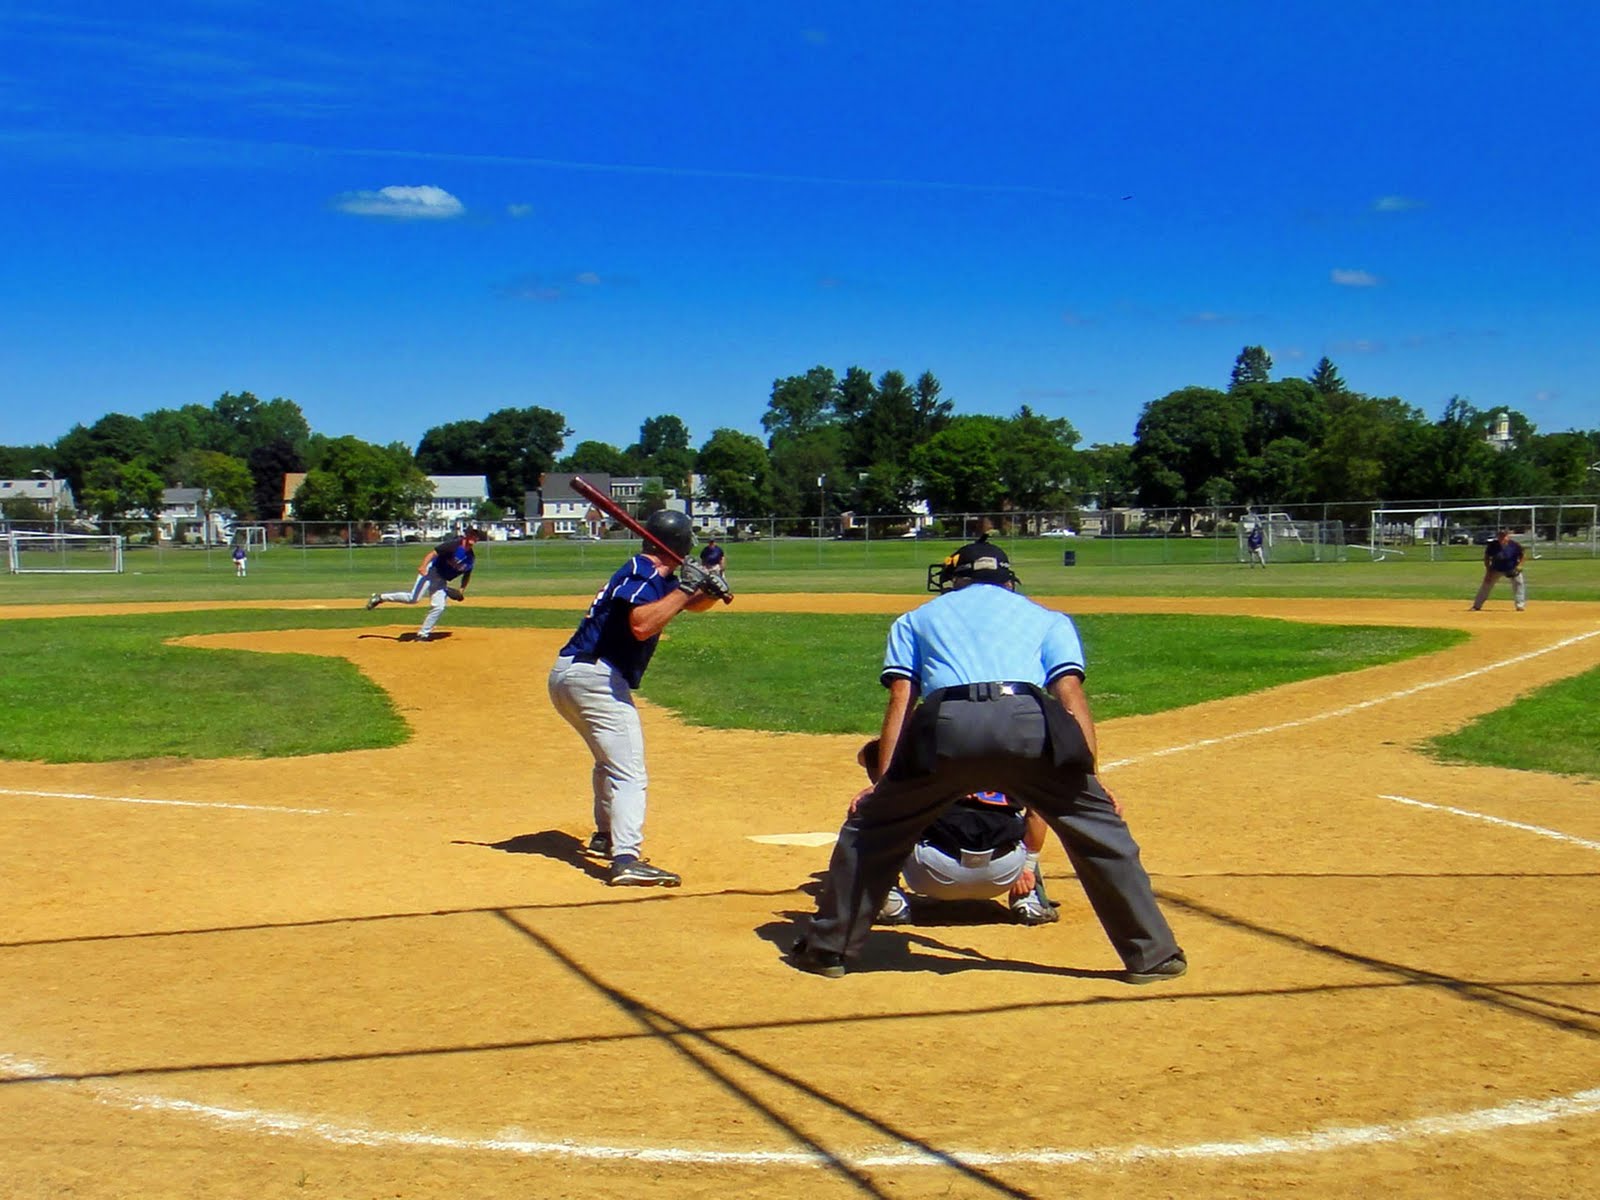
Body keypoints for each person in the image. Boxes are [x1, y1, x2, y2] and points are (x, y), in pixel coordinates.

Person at [790, 538, 1186, 983]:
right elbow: (1070, 695)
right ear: (1007, 580)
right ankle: (1153, 955)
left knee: (871, 830)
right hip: (1030, 721)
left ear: (955, 579)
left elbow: (902, 698)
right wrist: (1089, 778)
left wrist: (884, 786)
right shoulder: (1048, 618)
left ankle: (828, 949)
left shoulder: (915, 619)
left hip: (947, 724)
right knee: (1103, 835)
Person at [548, 509, 731, 887]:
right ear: (679, 545)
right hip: (595, 679)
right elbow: (642, 624)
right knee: (629, 771)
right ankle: (626, 859)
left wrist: (707, 586)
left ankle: (606, 835)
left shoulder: (654, 576)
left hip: (574, 675)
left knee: (609, 761)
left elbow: (684, 604)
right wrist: (686, 588)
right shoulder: (643, 570)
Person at [854, 739, 1059, 927]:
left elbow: (868, 756)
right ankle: (1029, 901)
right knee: (1022, 816)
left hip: (932, 871)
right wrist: (1027, 867)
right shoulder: (1017, 746)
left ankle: (889, 898)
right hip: (1005, 874)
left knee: (883, 802)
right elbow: (1038, 812)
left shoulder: (927, 743)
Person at [366, 527, 484, 641]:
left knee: (439, 607)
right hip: (430, 571)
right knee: (413, 599)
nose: (473, 538)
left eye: (476, 536)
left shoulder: (470, 557)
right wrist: (423, 566)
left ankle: (423, 634)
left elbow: (467, 575)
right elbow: (432, 553)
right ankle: (380, 597)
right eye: (471, 535)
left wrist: (461, 590)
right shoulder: (453, 545)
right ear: (466, 536)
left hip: (441, 579)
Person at [1471, 529, 1526, 611]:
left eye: (1504, 536)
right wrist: (1488, 570)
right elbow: (1487, 557)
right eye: (1500, 536)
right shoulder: (1493, 545)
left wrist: (1519, 566)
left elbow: (1522, 555)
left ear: (1508, 536)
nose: (1502, 538)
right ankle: (1476, 606)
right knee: (1486, 585)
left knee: (1519, 584)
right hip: (1496, 569)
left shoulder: (1514, 545)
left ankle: (1520, 605)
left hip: (1511, 568)